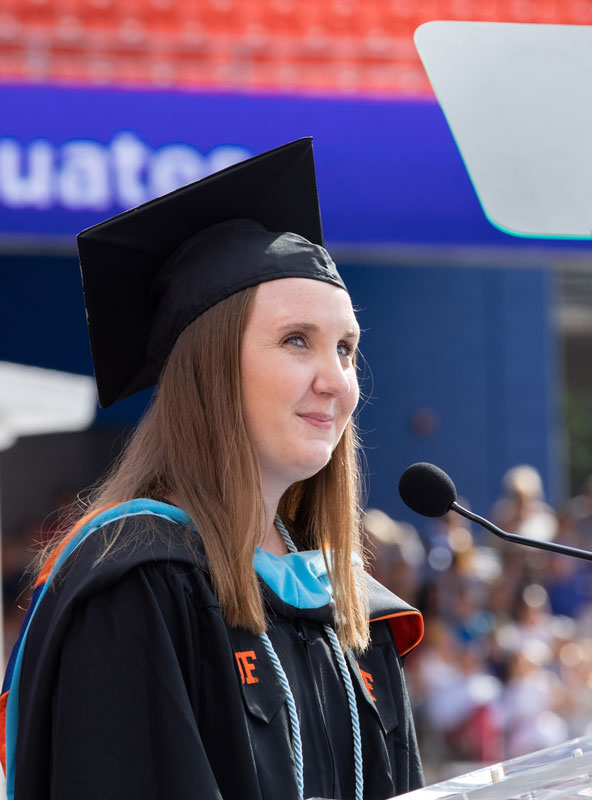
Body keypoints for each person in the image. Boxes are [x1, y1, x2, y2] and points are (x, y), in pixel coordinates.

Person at [0, 139, 424, 800]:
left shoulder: (348, 608)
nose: (338, 382)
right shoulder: (140, 581)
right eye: (296, 341)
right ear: (210, 369)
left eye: (346, 349)